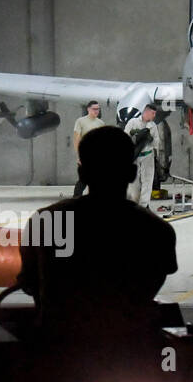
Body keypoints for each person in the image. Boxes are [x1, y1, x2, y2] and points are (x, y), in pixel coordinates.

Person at [19, 125, 177, 351]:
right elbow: (153, 283)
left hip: (60, 351)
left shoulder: (46, 221)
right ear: (132, 173)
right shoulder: (155, 230)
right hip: (132, 352)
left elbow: (29, 282)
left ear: (82, 174)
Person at [122, 103, 161, 208]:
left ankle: (144, 205)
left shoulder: (153, 126)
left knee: (147, 181)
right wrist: (135, 136)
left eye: (155, 114)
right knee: (134, 182)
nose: (154, 116)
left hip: (148, 156)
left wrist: (150, 139)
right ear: (146, 111)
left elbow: (157, 143)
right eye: (152, 113)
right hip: (134, 156)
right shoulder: (133, 122)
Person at [70, 100, 104, 197]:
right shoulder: (80, 121)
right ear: (88, 109)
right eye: (94, 109)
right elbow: (76, 138)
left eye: (98, 109)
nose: (96, 111)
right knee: (83, 180)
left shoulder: (100, 123)